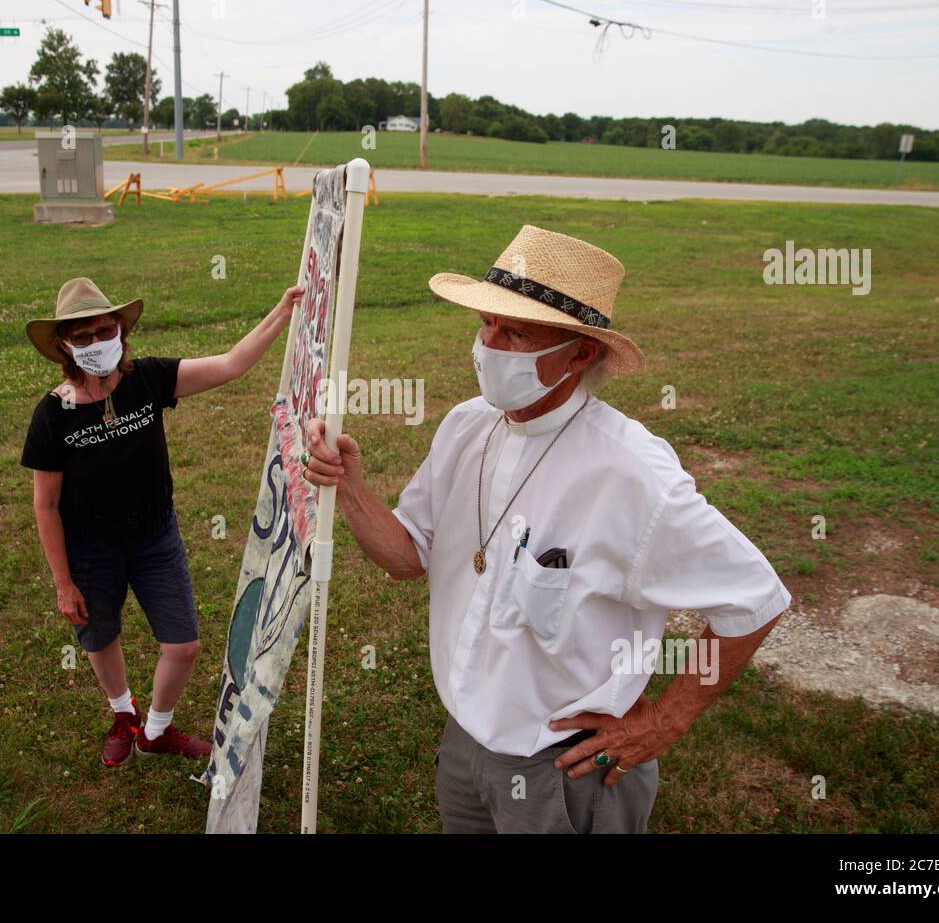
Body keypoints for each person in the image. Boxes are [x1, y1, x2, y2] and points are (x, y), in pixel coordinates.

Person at [301, 225, 790, 833]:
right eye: (486, 323)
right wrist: (348, 487)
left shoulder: (631, 474)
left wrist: (663, 722)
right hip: (464, 745)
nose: (488, 344)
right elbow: (407, 557)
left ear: (581, 352)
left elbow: (755, 599)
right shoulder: (464, 427)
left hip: (562, 772)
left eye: (517, 332)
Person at [22, 277, 302, 767]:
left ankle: (155, 731)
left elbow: (231, 365)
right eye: (82, 337)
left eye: (104, 331)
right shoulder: (53, 414)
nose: (95, 343)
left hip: (154, 535)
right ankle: (123, 715)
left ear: (121, 333)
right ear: (65, 346)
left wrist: (283, 311)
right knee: (100, 634)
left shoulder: (148, 379)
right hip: (90, 546)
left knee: (184, 644)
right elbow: (45, 506)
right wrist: (63, 583)